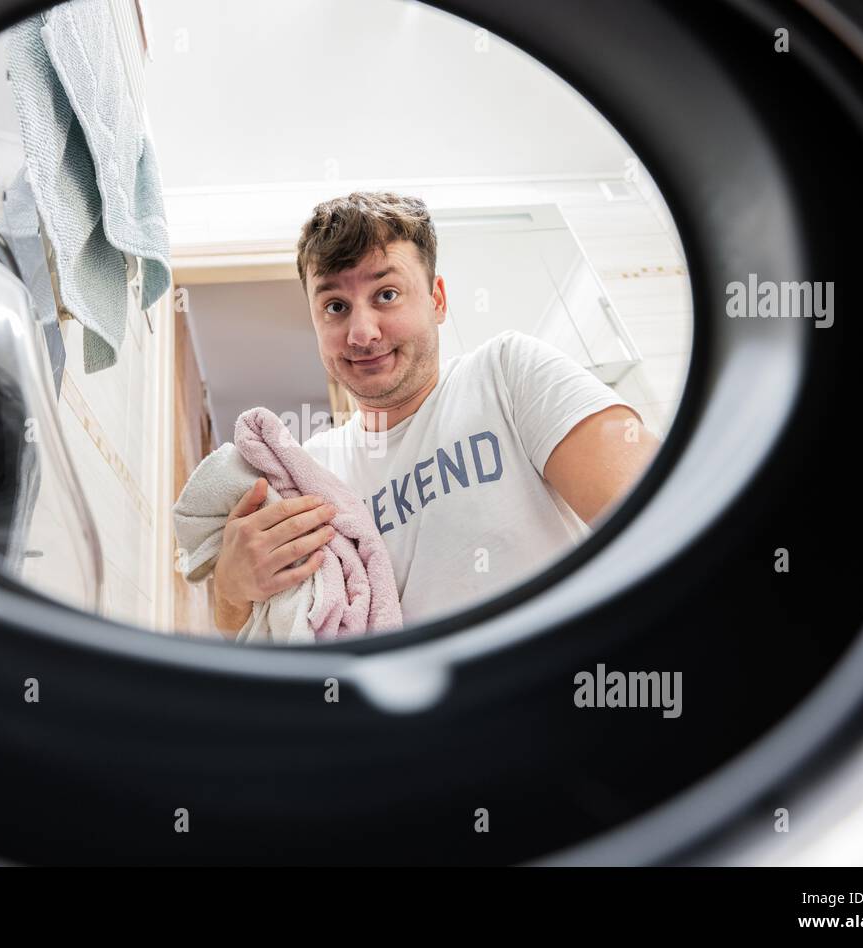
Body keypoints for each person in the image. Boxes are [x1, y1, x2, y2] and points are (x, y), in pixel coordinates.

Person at [210, 191, 660, 635]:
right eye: (335, 307)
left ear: (437, 300)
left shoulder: (508, 373)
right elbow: (263, 631)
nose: (362, 333)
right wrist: (231, 590)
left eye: (386, 294)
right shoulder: (306, 471)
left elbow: (655, 521)